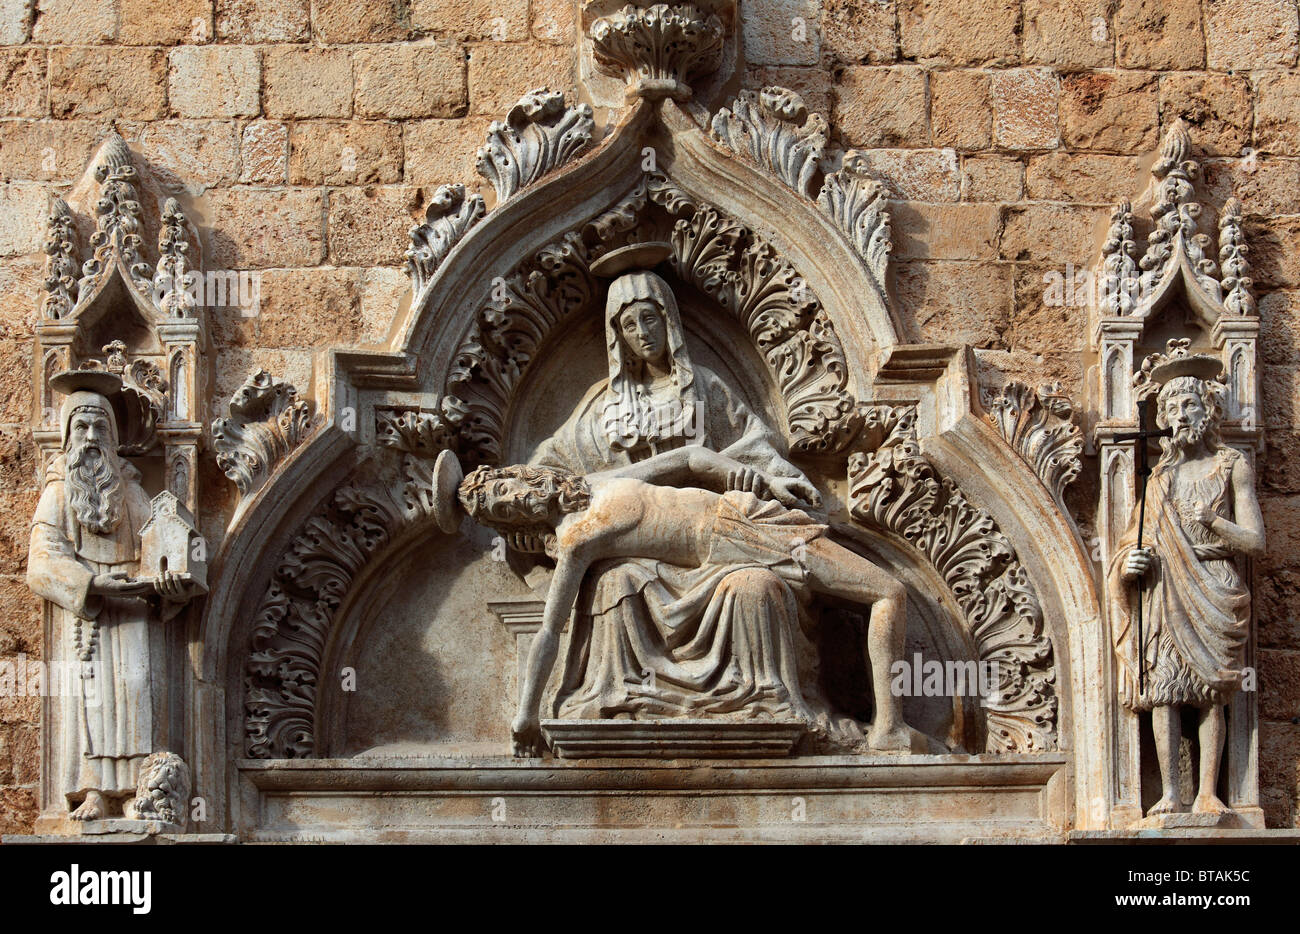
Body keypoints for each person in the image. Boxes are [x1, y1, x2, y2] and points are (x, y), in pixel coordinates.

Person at [528, 262, 860, 741]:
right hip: (637, 546)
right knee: (615, 582)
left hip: (720, 539)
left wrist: (774, 480)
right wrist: (528, 517)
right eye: (629, 324)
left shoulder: (704, 387)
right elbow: (548, 472)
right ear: (616, 335)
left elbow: (753, 448)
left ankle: (759, 701)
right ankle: (622, 699)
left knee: (757, 588)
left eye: (650, 318)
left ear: (668, 320)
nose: (642, 333)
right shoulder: (603, 405)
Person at [457, 446, 925, 757]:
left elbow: (689, 458)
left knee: (886, 591)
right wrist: (525, 715)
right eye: (501, 510)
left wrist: (762, 479)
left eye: (503, 488)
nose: (512, 500)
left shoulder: (597, 481)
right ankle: (889, 727)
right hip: (733, 548)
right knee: (886, 591)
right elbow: (549, 631)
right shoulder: (577, 541)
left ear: (519, 475)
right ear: (515, 524)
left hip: (747, 512)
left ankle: (889, 723)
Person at [1110, 351, 1264, 818]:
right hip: (1165, 585)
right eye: (1173, 409)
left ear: (1208, 410)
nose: (1181, 416)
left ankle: (1208, 793)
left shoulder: (1231, 465)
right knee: (1164, 688)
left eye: (1190, 406)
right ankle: (1171, 793)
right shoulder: (1160, 477)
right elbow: (1131, 540)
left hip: (1214, 580)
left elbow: (1256, 541)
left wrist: (1214, 522)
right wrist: (1126, 567)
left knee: (1210, 691)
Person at [27, 374, 187, 821]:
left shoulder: (131, 493)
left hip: (134, 612)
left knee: (136, 689)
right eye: (82, 428)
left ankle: (137, 789)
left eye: (101, 428)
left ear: (114, 438)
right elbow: (41, 561)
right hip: (86, 613)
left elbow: (158, 546)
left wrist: (168, 582)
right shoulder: (58, 493)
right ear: (67, 436)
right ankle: (93, 791)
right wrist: (91, 584)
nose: (92, 437)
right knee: (86, 697)